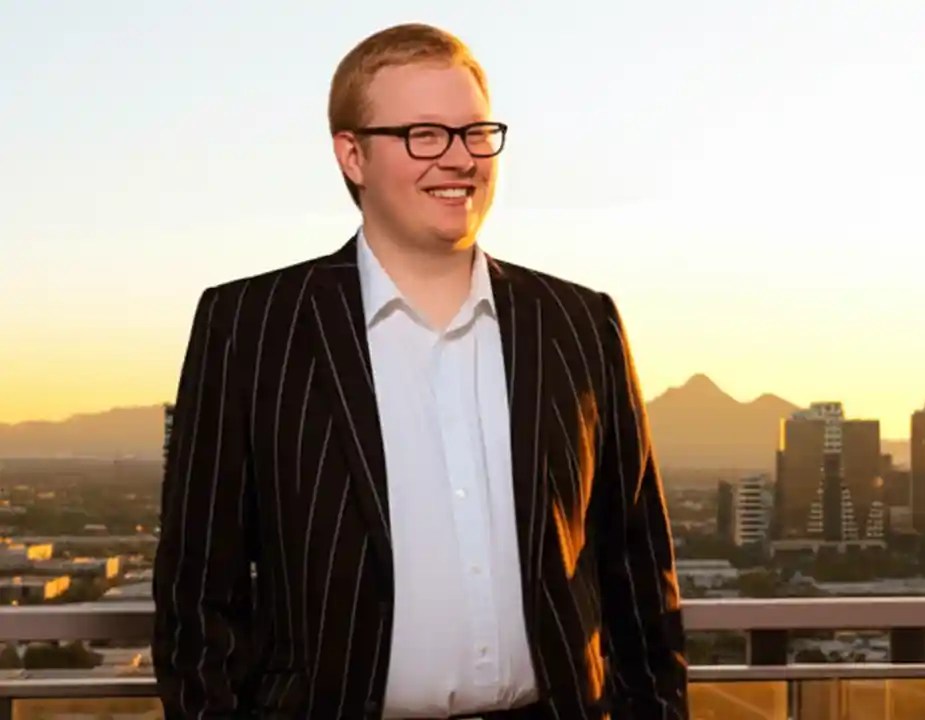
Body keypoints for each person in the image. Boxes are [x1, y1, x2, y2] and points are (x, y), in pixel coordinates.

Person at [152, 22, 688, 720]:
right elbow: (198, 597)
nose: (459, 158)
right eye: (423, 135)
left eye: (473, 133)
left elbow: (638, 574)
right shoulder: (250, 328)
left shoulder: (581, 323)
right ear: (353, 156)